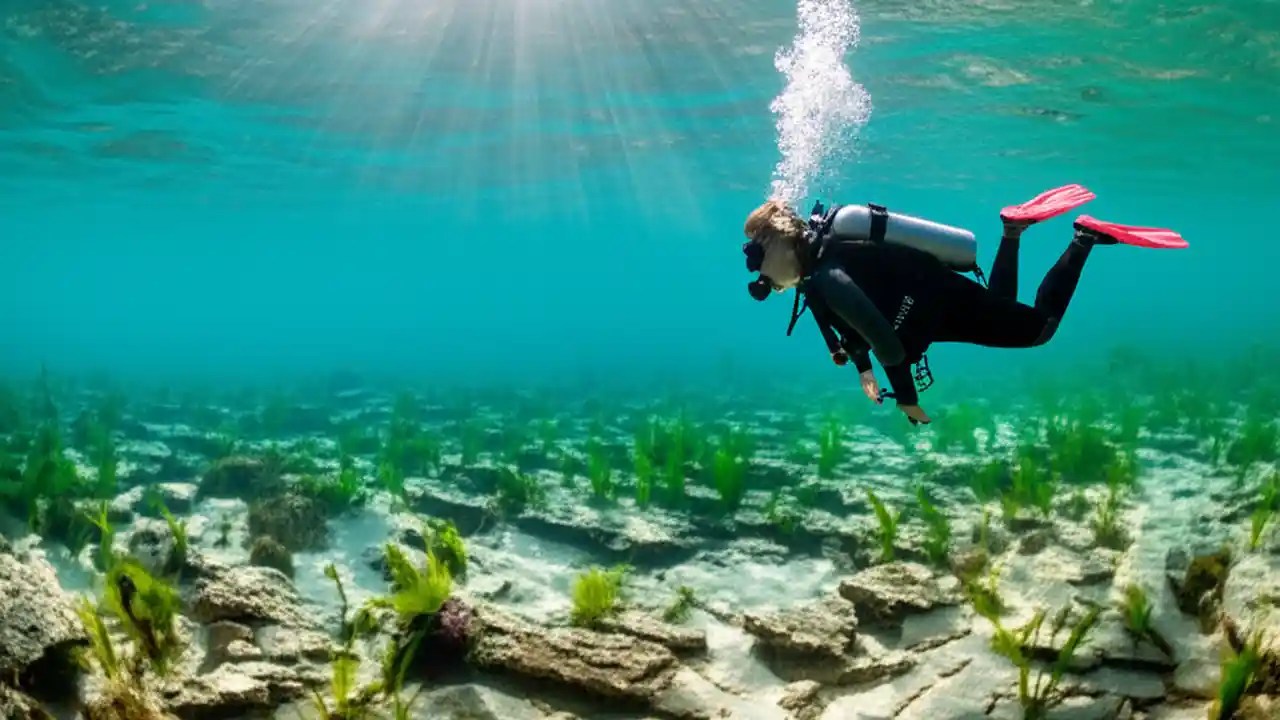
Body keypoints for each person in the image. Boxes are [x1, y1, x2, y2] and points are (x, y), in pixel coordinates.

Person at [741, 187, 1186, 424]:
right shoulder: (816, 270)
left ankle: (1083, 238)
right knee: (999, 305)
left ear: (781, 243)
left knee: (1040, 330)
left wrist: (907, 401)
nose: (760, 272)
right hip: (931, 301)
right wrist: (862, 370)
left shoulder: (827, 276)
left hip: (935, 306)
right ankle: (1012, 229)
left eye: (758, 256)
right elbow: (841, 326)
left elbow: (884, 341)